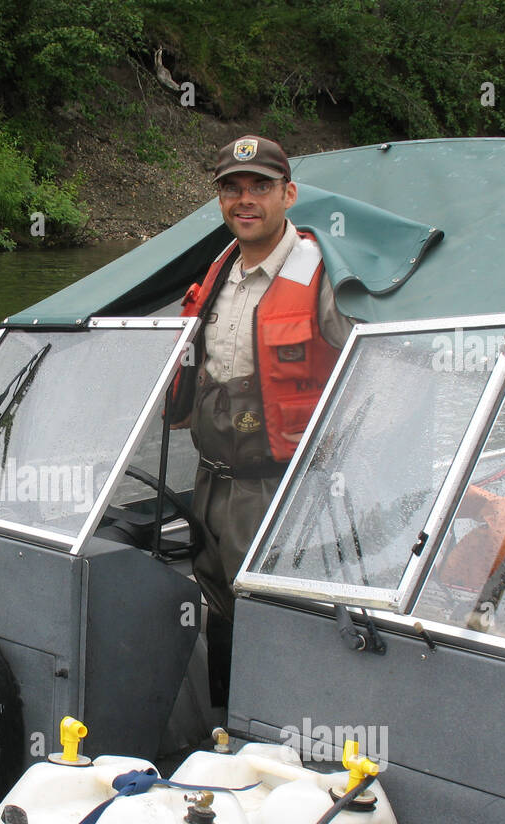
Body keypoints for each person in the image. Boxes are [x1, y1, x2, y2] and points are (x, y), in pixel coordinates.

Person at [171, 134, 353, 707]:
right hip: (211, 479)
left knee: (272, 613)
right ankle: (227, 720)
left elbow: (368, 371)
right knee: (216, 603)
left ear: (288, 194)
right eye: (232, 189)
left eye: (260, 188)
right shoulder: (219, 272)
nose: (244, 201)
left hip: (279, 485)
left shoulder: (322, 276)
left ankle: (279, 724)